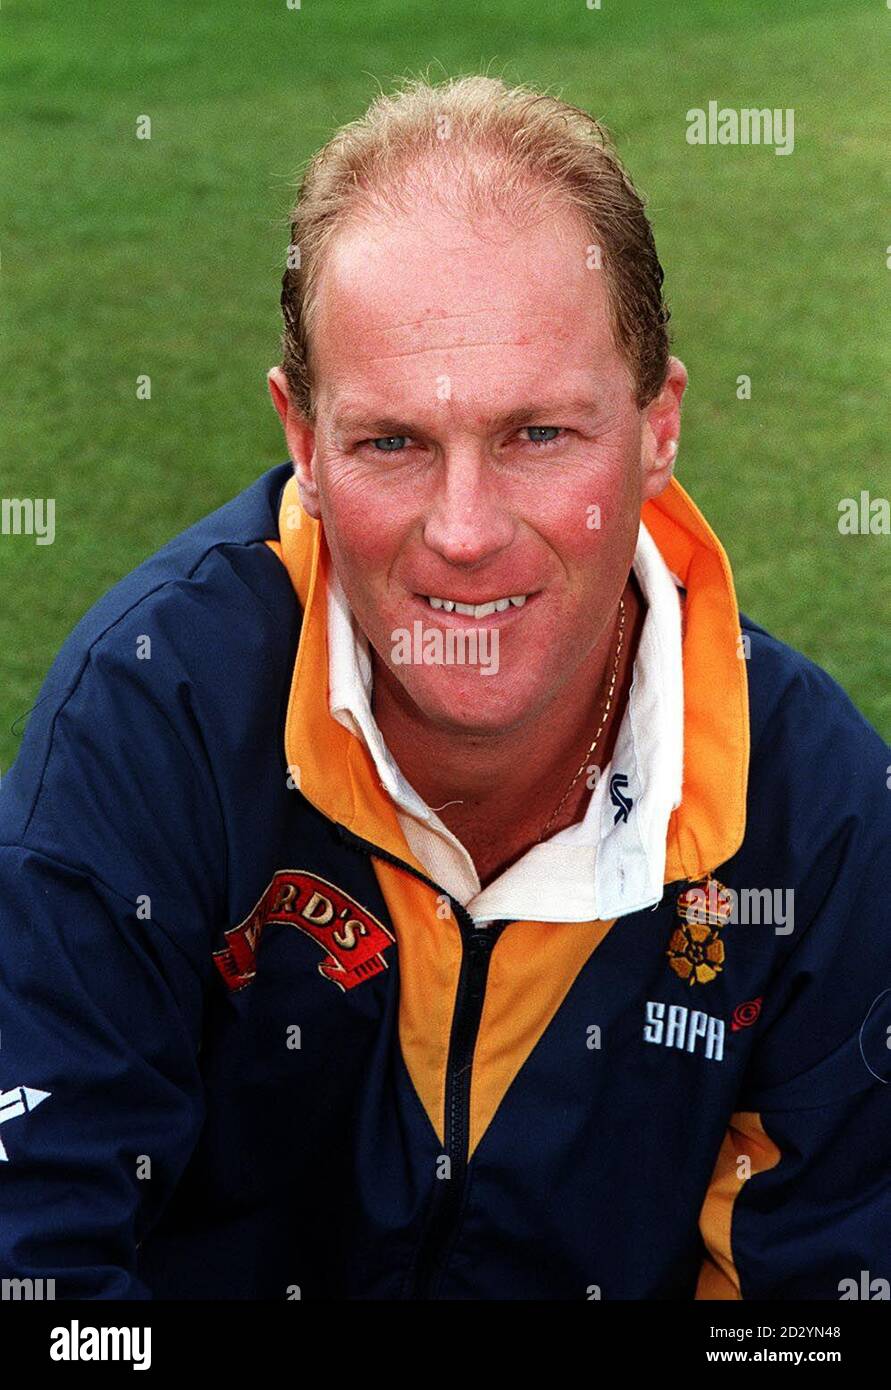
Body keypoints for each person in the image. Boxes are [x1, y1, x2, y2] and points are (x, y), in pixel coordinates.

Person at [1, 74, 888, 1301]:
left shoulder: (816, 806)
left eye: (539, 435)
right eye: (392, 442)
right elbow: (42, 1278)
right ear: (302, 443)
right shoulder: (155, 716)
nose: (464, 534)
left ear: (659, 425)